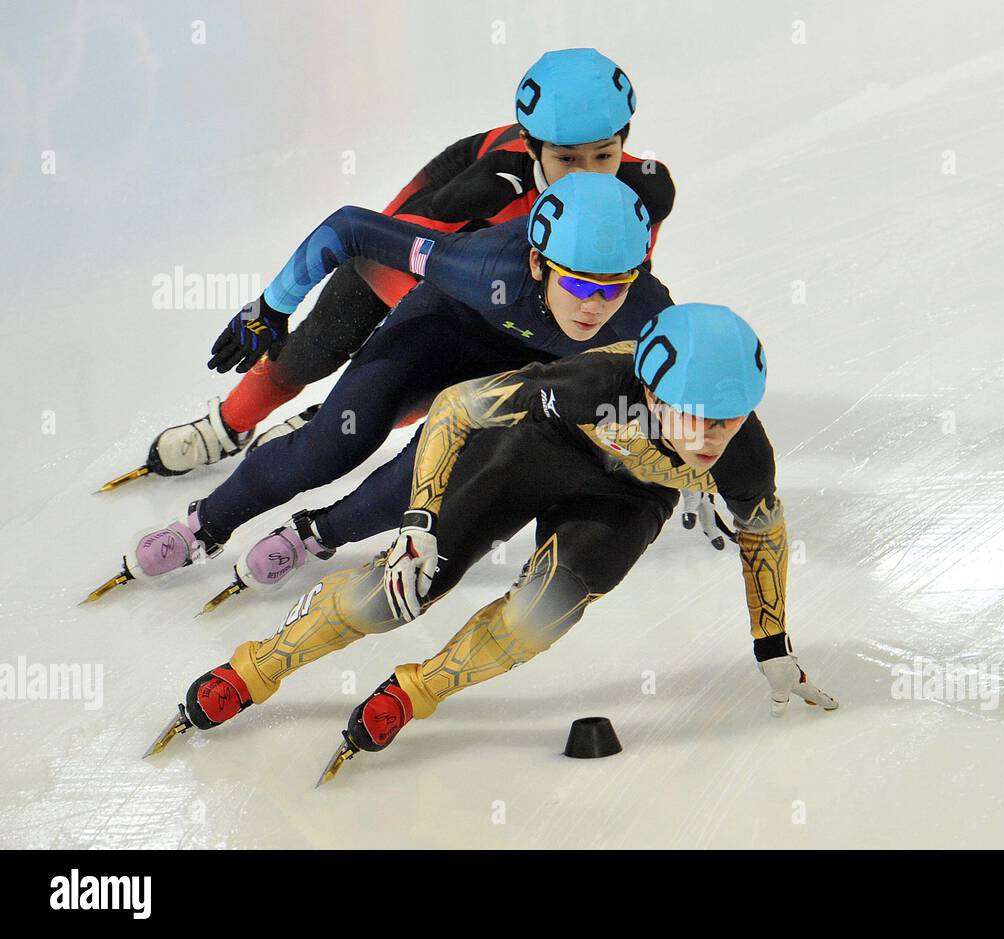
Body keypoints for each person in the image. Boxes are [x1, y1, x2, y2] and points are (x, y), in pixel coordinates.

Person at [145, 304, 838, 783]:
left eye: (727, 421)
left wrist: (772, 644)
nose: (708, 441)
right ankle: (254, 669)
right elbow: (454, 407)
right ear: (651, 392)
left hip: (627, 497)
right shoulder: (595, 385)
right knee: (399, 591)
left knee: (537, 617)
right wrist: (417, 521)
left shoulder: (745, 456)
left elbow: (763, 534)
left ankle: (418, 691)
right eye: (693, 418)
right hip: (533, 449)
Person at [107, 47, 673, 484]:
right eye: (567, 159)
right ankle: (229, 423)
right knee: (328, 338)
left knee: (463, 361)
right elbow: (355, 235)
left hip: (506, 266)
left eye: (605, 155)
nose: (588, 176)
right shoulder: (484, 189)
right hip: (445, 228)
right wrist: (272, 306)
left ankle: (337, 413)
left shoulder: (647, 193)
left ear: (626, 141)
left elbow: (618, 296)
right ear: (531, 148)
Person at [102, 171, 678, 599]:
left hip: (514, 379)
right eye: (580, 286)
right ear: (536, 264)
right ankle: (203, 525)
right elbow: (351, 227)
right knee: (333, 444)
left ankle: (316, 534)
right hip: (440, 334)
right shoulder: (479, 264)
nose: (595, 307)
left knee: (430, 467)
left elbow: (697, 389)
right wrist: (271, 307)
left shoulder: (645, 316)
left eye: (615, 287)